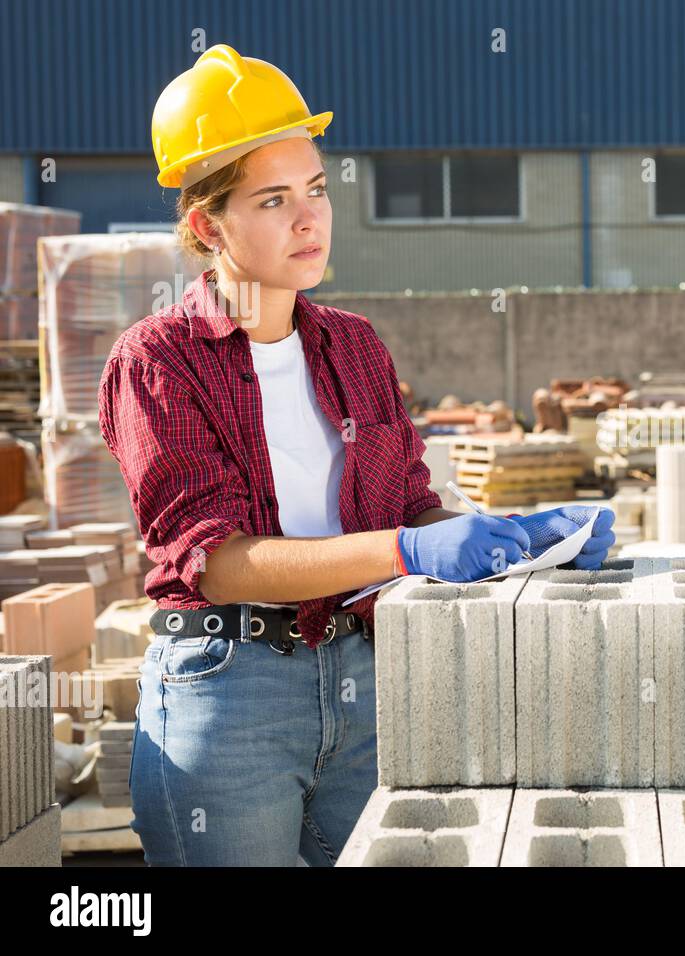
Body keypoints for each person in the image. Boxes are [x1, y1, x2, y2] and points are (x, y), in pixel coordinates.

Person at [97, 45, 615, 866]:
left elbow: (410, 505)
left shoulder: (354, 346)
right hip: (231, 689)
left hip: (365, 672)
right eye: (273, 200)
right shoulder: (158, 359)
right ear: (206, 224)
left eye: (316, 190)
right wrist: (407, 550)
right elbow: (217, 560)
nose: (310, 220)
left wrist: (515, 541)